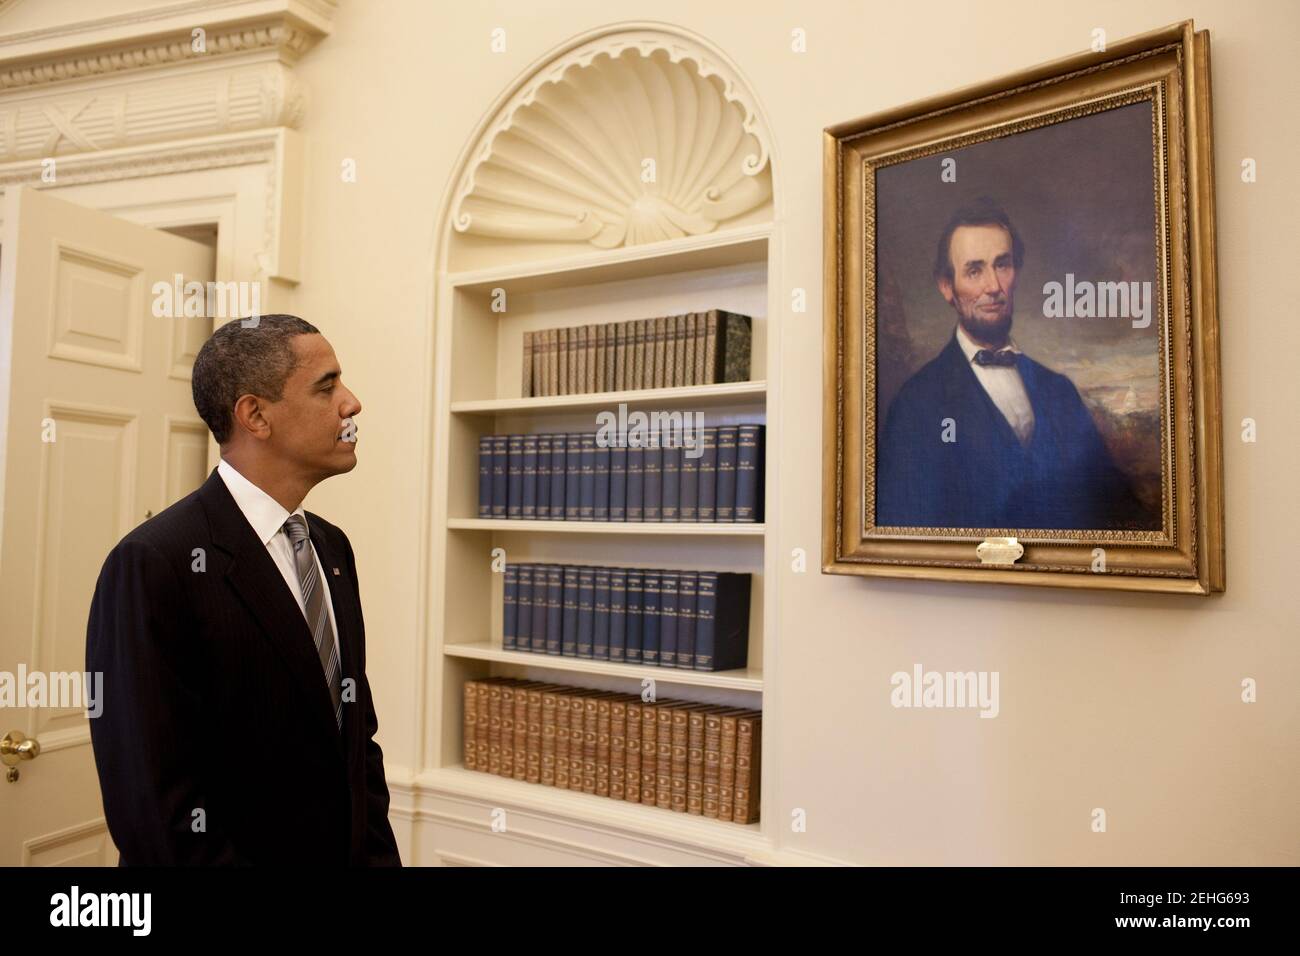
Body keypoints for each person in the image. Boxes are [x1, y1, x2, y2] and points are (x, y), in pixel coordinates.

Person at [86, 314, 401, 865]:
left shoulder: (331, 549)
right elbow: (153, 811)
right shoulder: (154, 563)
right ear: (255, 415)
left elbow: (357, 748)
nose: (351, 404)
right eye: (326, 386)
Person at [876, 198, 1151, 531]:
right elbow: (904, 533)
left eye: (1002, 264)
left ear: (1016, 272)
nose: (993, 287)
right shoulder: (915, 404)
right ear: (947, 287)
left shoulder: (1059, 391)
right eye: (974, 270)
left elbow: (1115, 507)